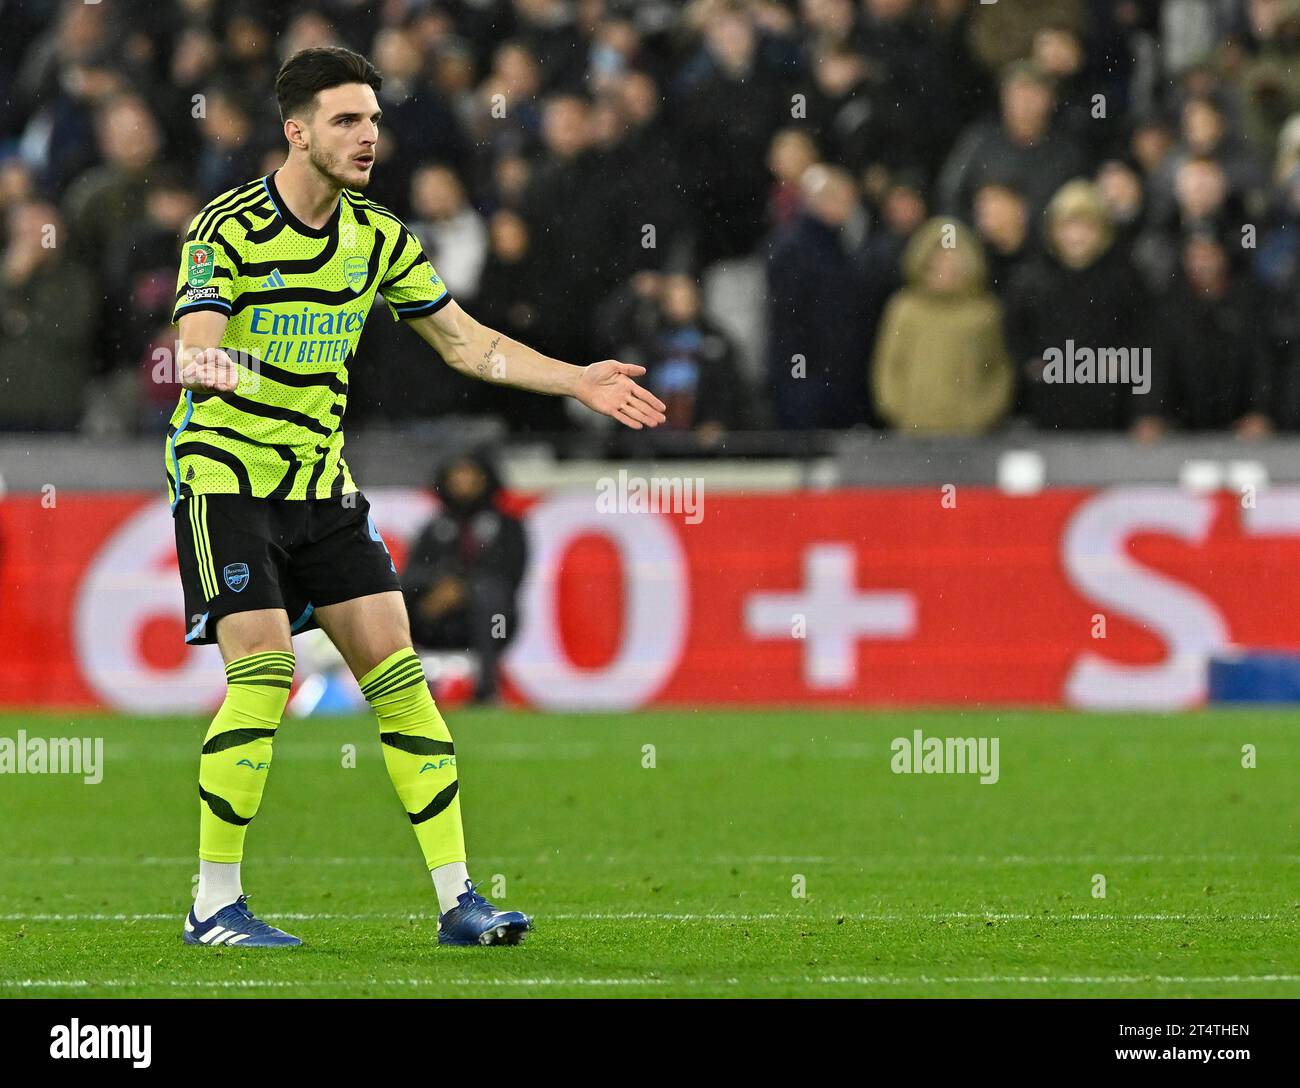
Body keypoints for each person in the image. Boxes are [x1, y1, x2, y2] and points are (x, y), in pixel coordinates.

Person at [168, 47, 666, 950]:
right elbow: (195, 339)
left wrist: (576, 381)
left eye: (373, 119)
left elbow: (468, 345)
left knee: (400, 677)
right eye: (347, 120)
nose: (369, 136)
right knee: (266, 671)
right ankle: (213, 905)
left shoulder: (379, 234)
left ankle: (457, 903)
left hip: (319, 485)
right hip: (225, 477)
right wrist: (210, 359)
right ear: (297, 132)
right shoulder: (226, 228)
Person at [403, 452, 527, 703]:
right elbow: (411, 574)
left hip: (493, 623)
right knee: (395, 600)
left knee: (489, 594)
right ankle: (404, 688)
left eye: (469, 474)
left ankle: (486, 690)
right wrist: (434, 587)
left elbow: (510, 575)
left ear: (485, 478)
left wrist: (463, 591)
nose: (462, 481)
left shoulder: (508, 526)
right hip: (436, 620)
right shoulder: (434, 527)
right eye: (456, 474)